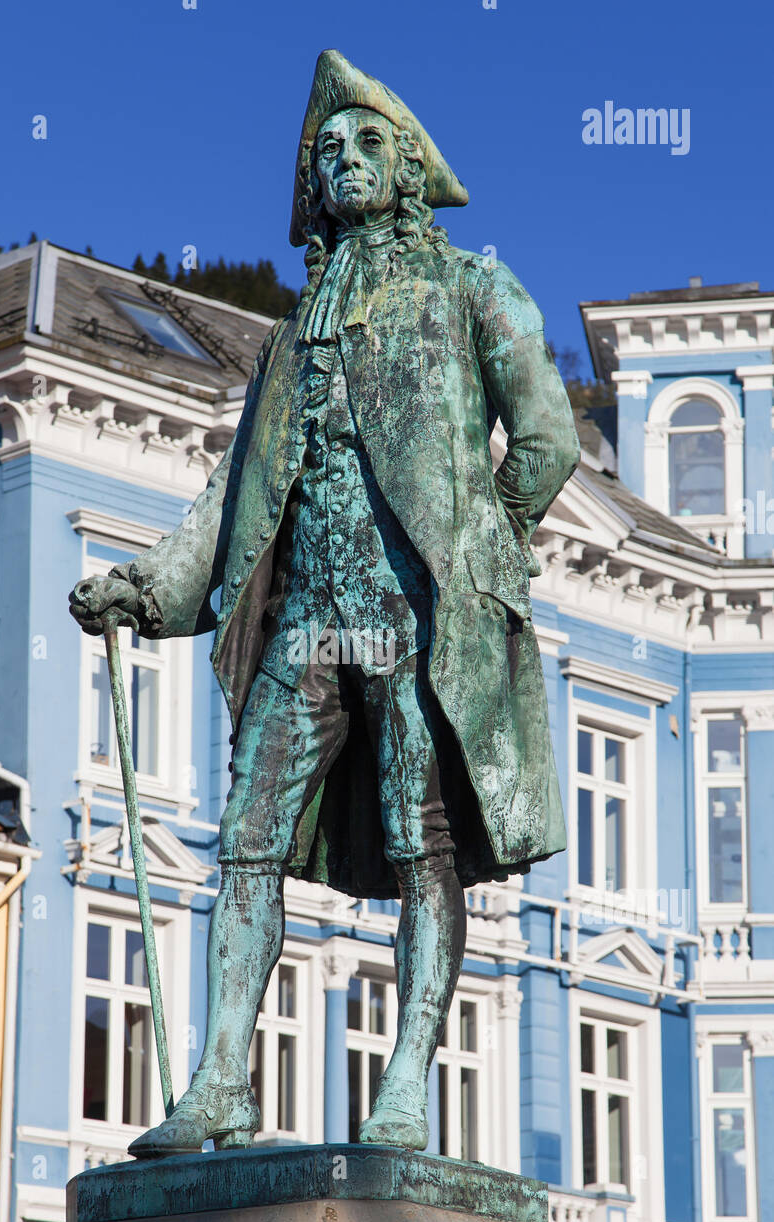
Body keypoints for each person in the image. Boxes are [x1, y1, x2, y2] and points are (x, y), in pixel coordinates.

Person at [69, 50, 580, 1153]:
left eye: (364, 145)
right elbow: (233, 499)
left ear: (404, 169)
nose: (342, 160)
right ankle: (219, 1082)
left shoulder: (472, 289)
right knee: (244, 833)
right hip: (307, 614)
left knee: (419, 842)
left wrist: (479, 552)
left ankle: (403, 1086)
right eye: (327, 151)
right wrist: (148, 590)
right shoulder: (289, 337)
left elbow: (544, 440)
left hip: (413, 617)